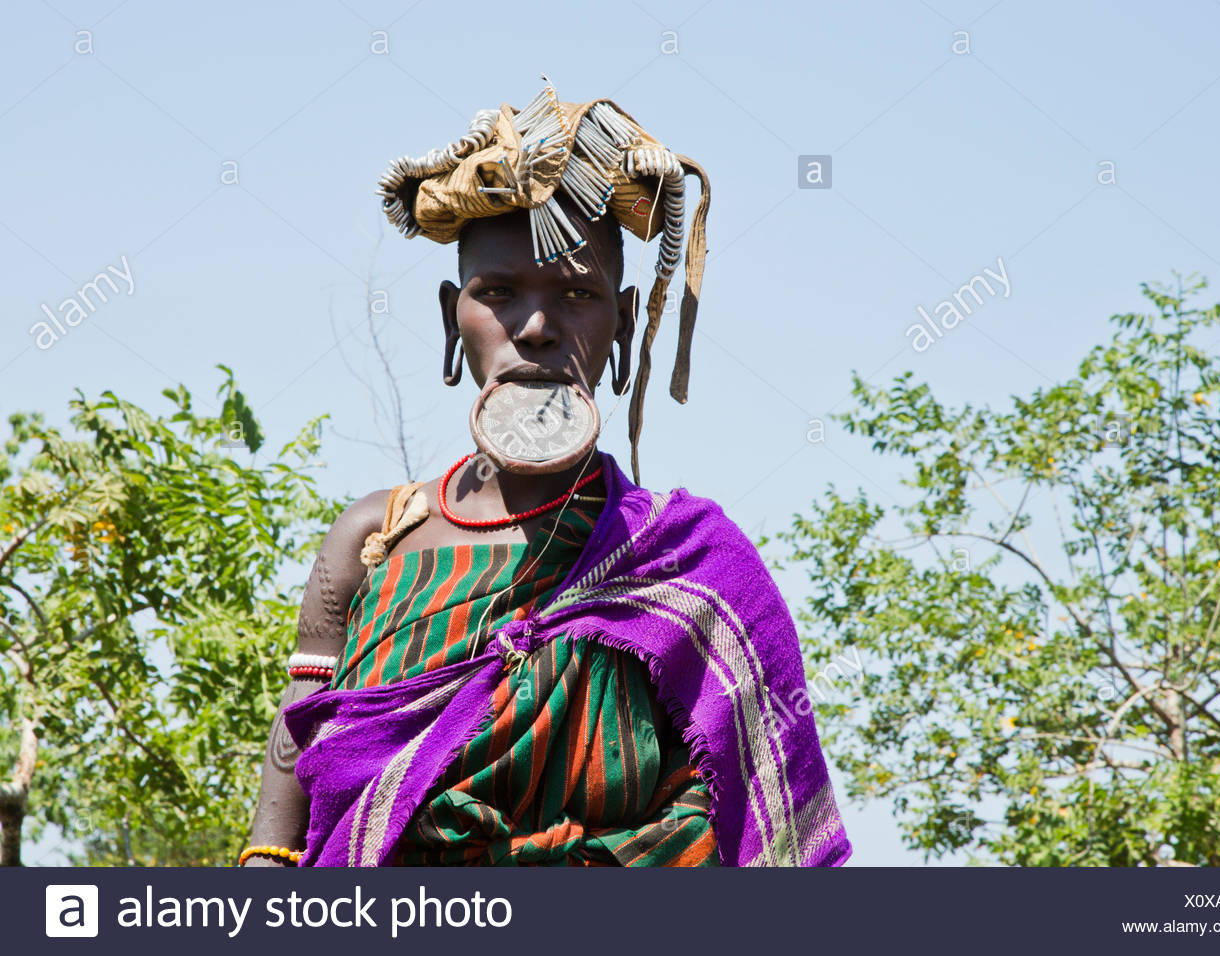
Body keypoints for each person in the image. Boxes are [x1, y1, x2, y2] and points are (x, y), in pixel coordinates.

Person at [242, 79, 850, 867]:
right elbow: (297, 759)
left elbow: (761, 827)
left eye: (576, 293)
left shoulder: (689, 559)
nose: (534, 326)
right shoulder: (374, 537)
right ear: (450, 321)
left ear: (623, 324)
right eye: (497, 293)